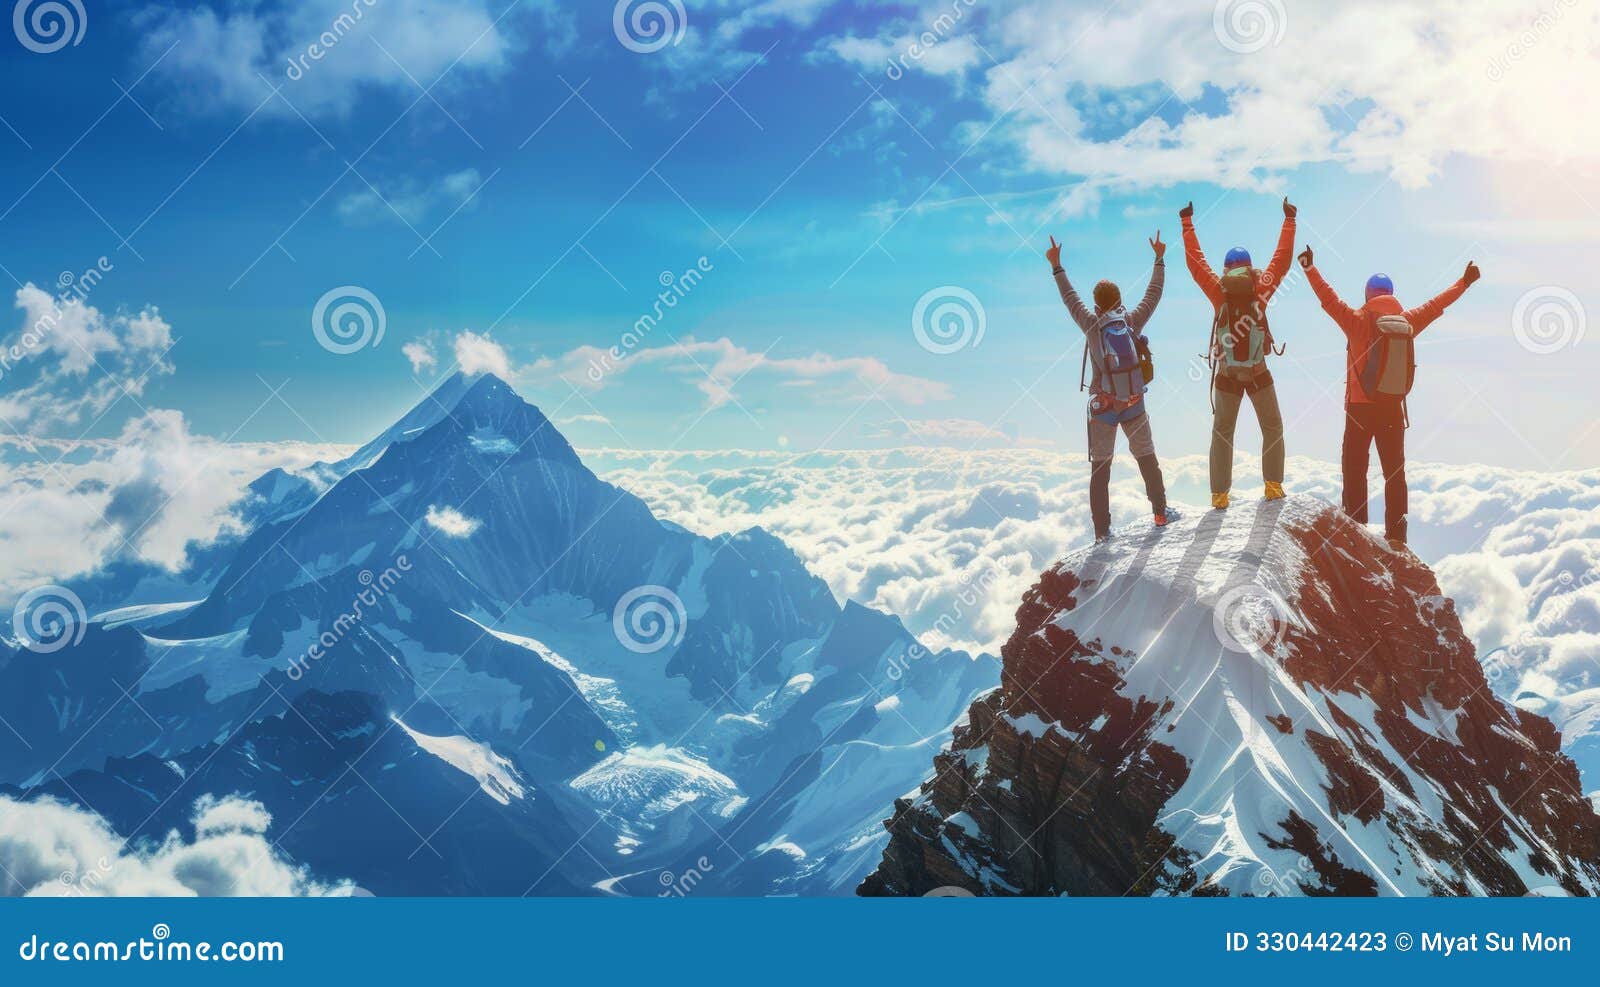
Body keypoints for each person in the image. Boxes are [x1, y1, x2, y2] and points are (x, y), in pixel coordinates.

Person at [1299, 247, 1480, 546]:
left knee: (1355, 469)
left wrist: (1309, 268)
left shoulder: (1356, 320)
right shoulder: (1407, 322)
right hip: (1393, 409)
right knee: (1394, 473)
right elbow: (1436, 305)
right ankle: (1397, 535)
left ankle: (1356, 530)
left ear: (1368, 295)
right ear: (1392, 294)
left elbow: (1328, 299)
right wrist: (1463, 282)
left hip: (1359, 408)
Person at [1046, 230, 1171, 542]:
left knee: (1101, 471)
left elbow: (1068, 298)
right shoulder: (1132, 321)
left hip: (1103, 407)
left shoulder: (1091, 325)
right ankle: (1159, 513)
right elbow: (1153, 294)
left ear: (1096, 305)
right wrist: (1159, 259)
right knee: (1147, 458)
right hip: (1134, 403)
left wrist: (1057, 265)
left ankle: (1102, 533)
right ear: (1119, 300)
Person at [1180, 197, 1297, 510]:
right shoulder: (1262, 288)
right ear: (1250, 267)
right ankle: (1272, 487)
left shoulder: (1219, 291)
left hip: (1228, 375)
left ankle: (1220, 496)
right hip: (1258, 373)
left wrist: (1187, 223)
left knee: (1222, 433)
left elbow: (1195, 262)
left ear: (1227, 268)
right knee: (1271, 427)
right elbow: (1283, 259)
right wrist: (1289, 221)